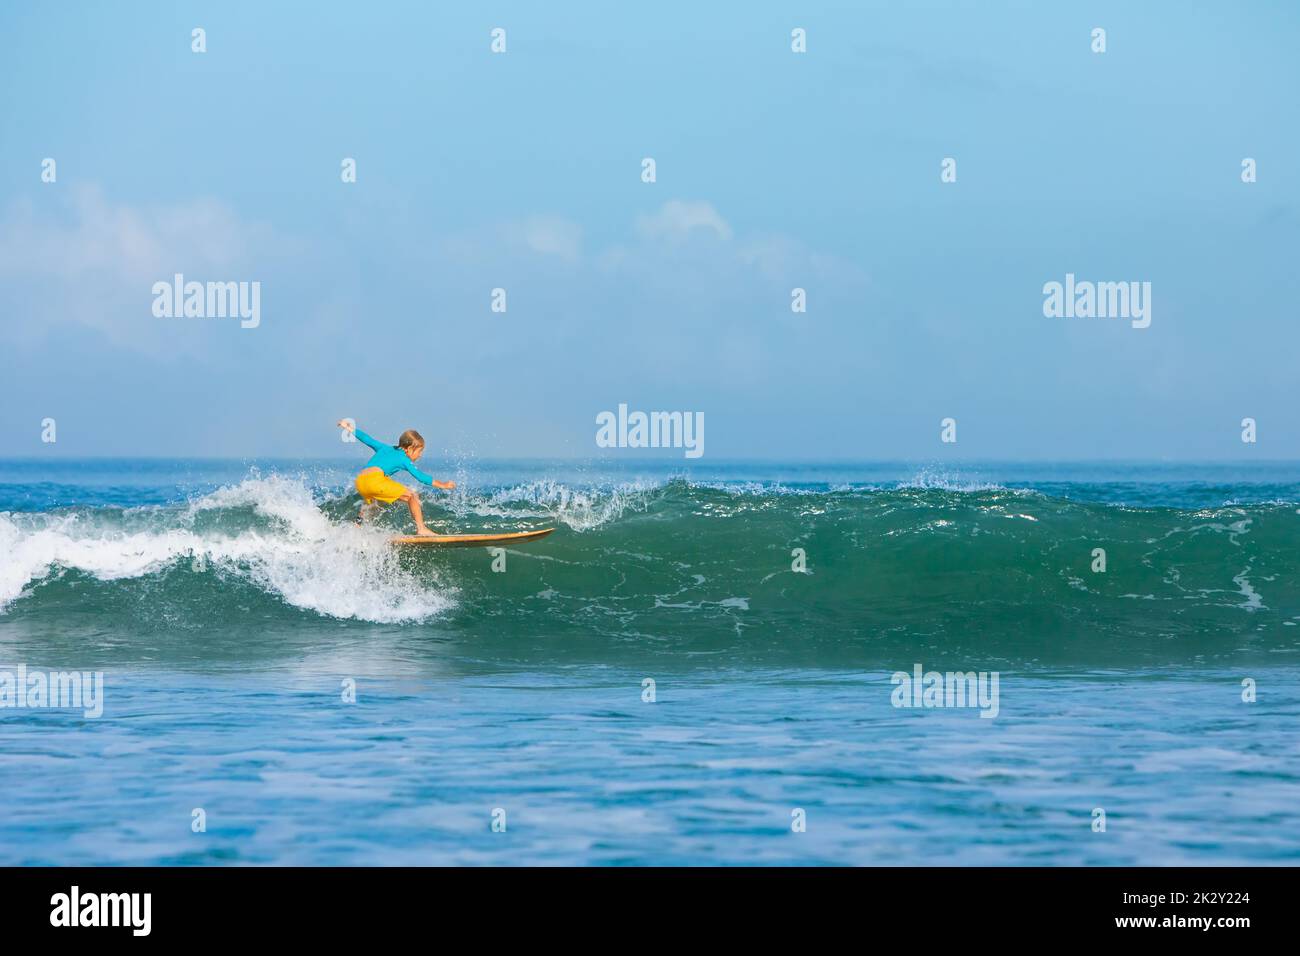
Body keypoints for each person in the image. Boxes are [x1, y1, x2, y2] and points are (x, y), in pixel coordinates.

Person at [337, 420, 455, 536]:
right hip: (375, 480)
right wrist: (443, 485)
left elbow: (367, 439)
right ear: (409, 449)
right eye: (419, 451)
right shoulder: (404, 458)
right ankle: (421, 528)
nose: (420, 455)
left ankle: (357, 527)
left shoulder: (384, 448)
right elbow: (421, 477)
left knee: (373, 501)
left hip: (361, 481)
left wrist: (349, 428)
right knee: (412, 496)